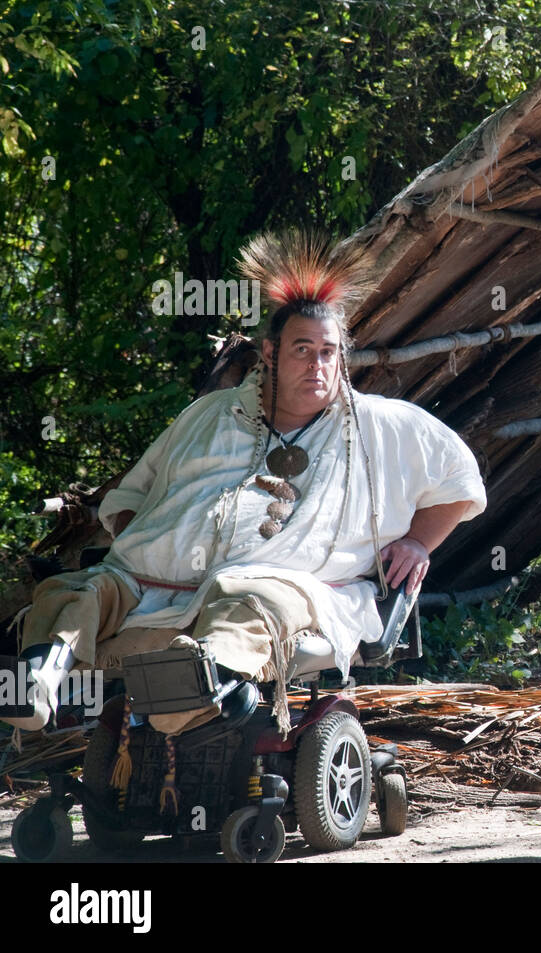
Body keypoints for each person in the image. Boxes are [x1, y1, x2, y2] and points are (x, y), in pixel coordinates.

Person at [1, 230, 487, 736]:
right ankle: (37, 686)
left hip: (282, 589)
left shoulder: (382, 426)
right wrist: (152, 547)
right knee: (74, 591)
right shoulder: (211, 415)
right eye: (303, 350)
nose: (318, 366)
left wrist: (417, 541)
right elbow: (132, 497)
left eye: (328, 352)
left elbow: (460, 480)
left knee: (246, 601)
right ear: (270, 353)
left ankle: (192, 695)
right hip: (152, 585)